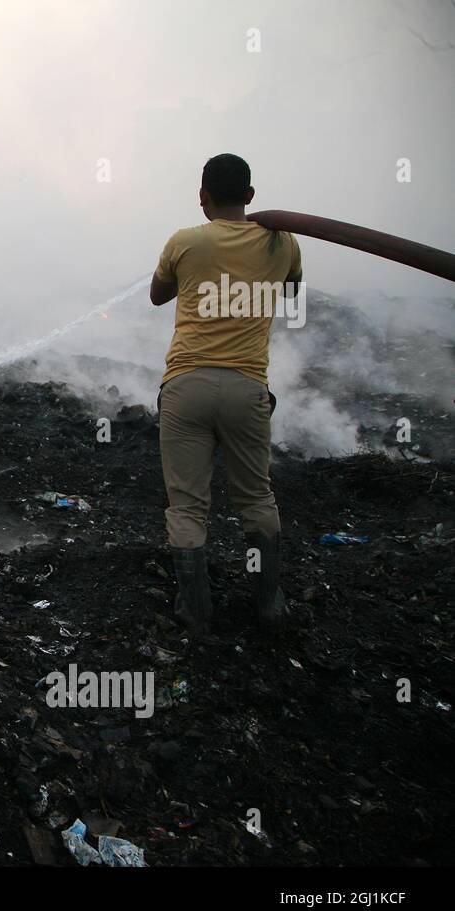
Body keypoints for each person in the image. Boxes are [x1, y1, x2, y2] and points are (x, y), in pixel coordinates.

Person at [149, 153, 302, 636]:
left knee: (187, 506)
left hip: (186, 387)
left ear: (203, 197)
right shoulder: (283, 243)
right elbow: (294, 290)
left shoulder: (185, 241)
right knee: (256, 499)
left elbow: (158, 294)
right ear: (251, 196)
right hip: (247, 389)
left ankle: (196, 611)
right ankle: (268, 605)